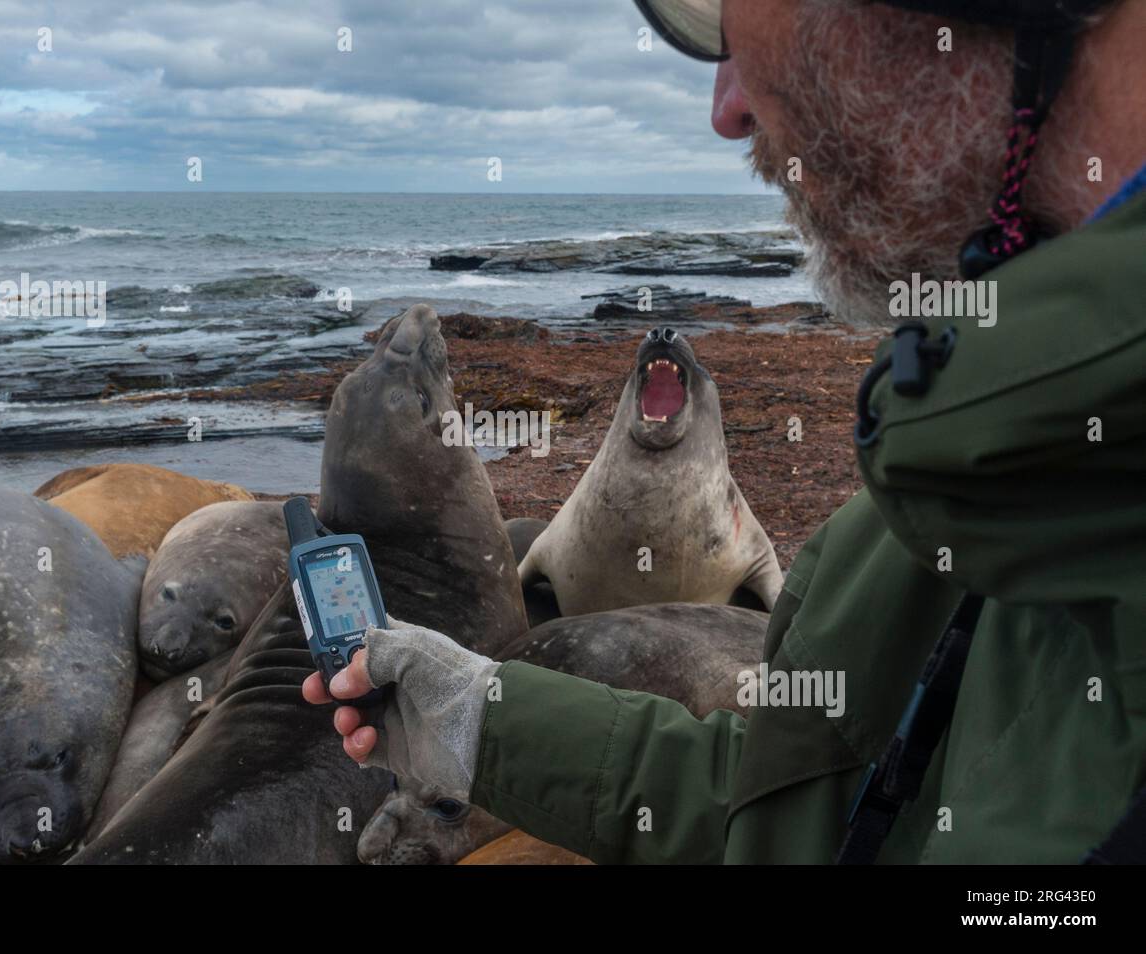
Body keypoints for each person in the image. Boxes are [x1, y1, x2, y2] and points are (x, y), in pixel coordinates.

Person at [302, 0, 1146, 863]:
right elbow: (804, 803)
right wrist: (482, 721)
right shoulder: (925, 505)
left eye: (741, 24)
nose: (726, 108)